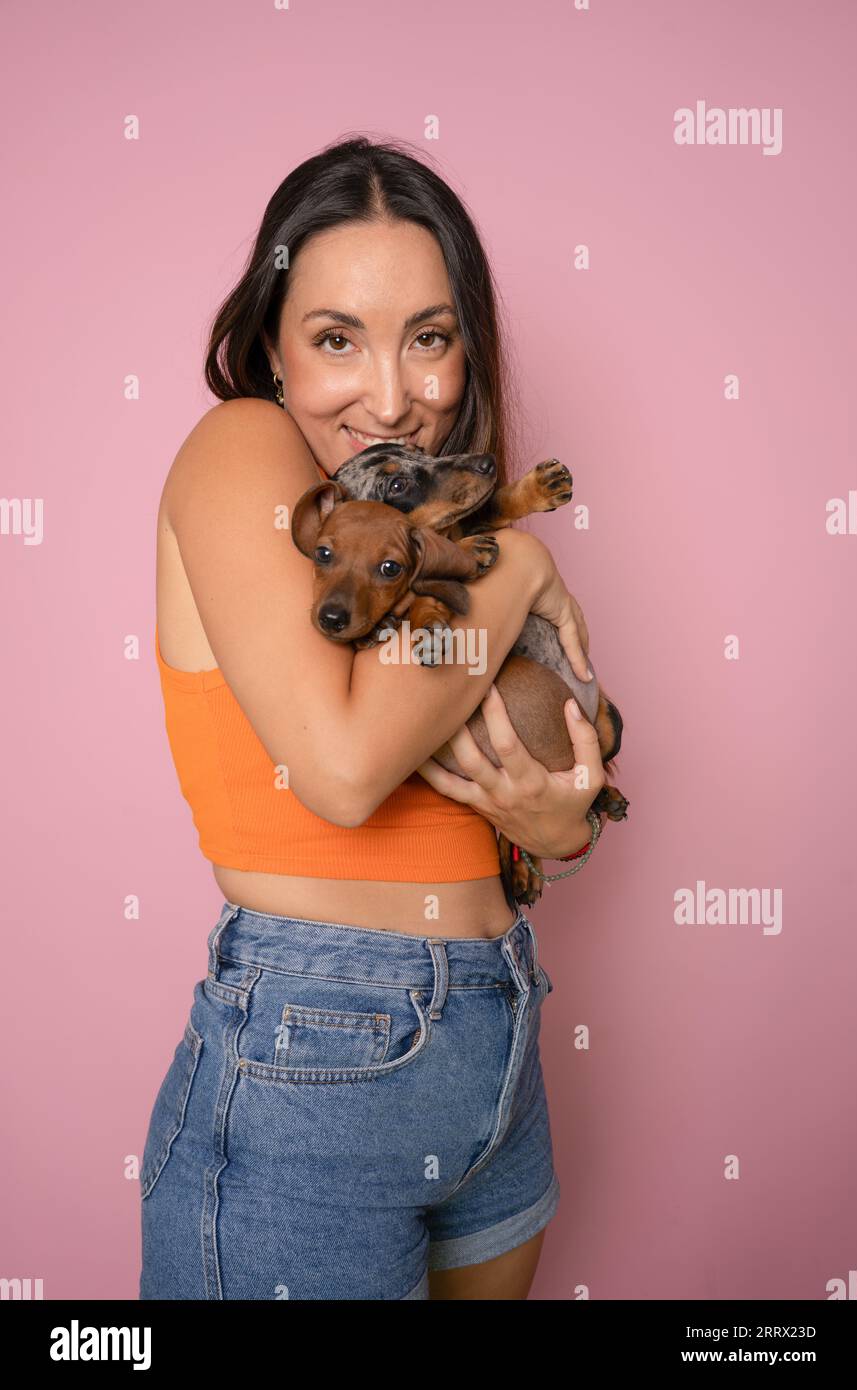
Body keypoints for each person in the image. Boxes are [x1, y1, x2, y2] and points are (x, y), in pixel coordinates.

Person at [141, 134, 607, 1301]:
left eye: (430, 338)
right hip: (315, 1042)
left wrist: (556, 829)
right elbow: (343, 767)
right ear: (272, 347)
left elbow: (512, 784)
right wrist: (518, 570)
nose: (394, 397)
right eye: (336, 338)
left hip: (495, 1032)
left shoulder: (413, 528)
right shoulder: (243, 448)